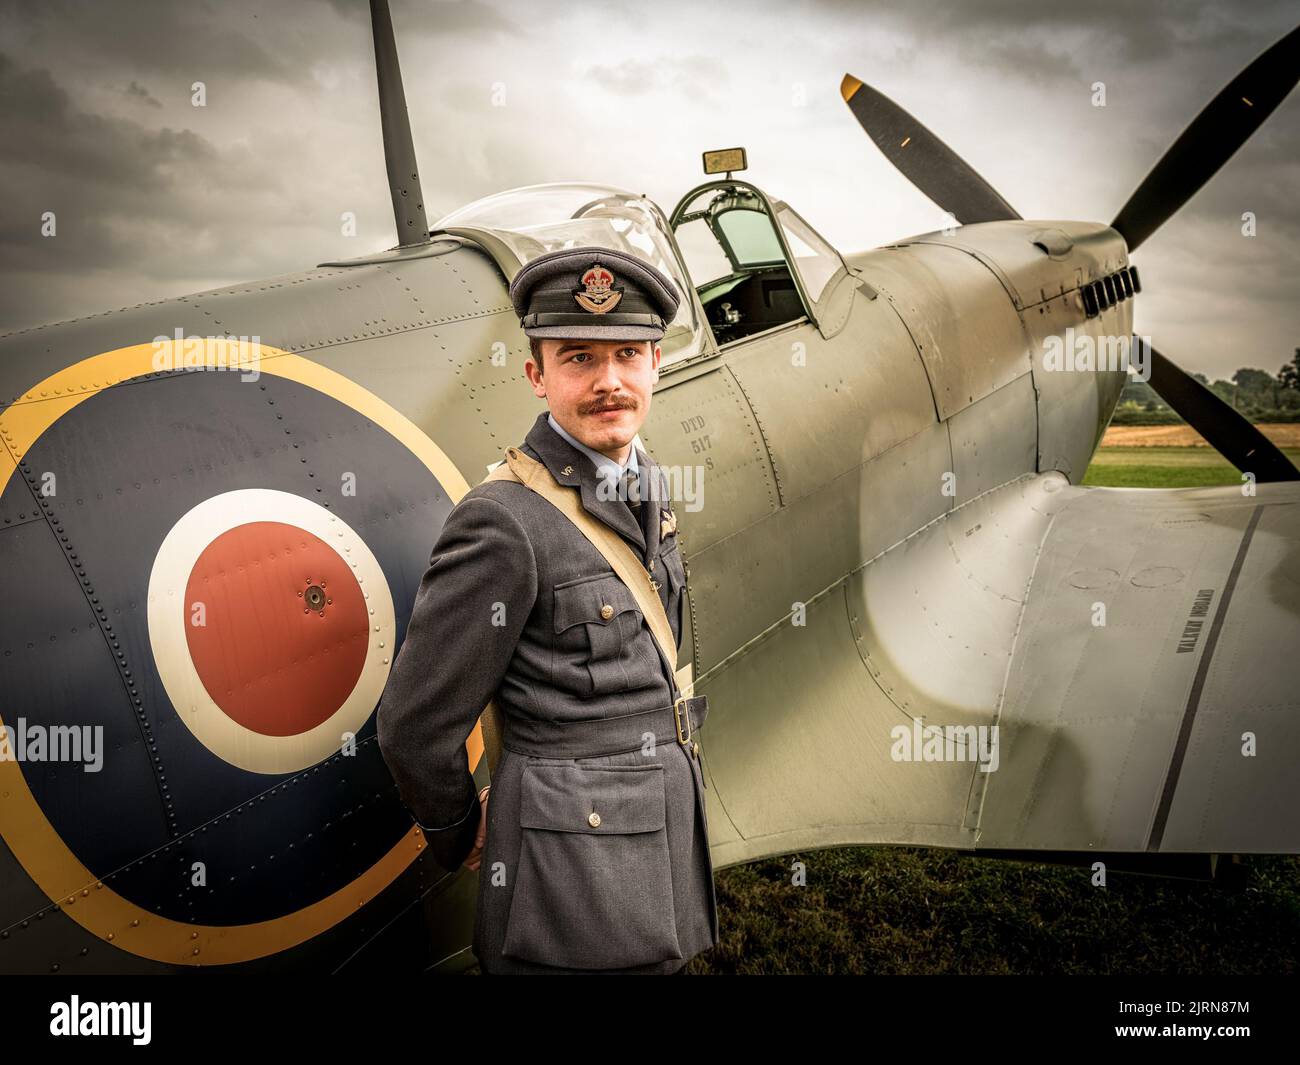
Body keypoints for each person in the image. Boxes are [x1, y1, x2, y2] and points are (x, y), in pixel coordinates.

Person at [377, 246, 718, 974]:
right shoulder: (503, 521)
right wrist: (463, 831)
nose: (610, 382)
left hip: (654, 847)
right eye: (579, 358)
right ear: (537, 375)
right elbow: (413, 726)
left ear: (657, 363)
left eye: (628, 354)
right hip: (573, 896)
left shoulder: (644, 477)